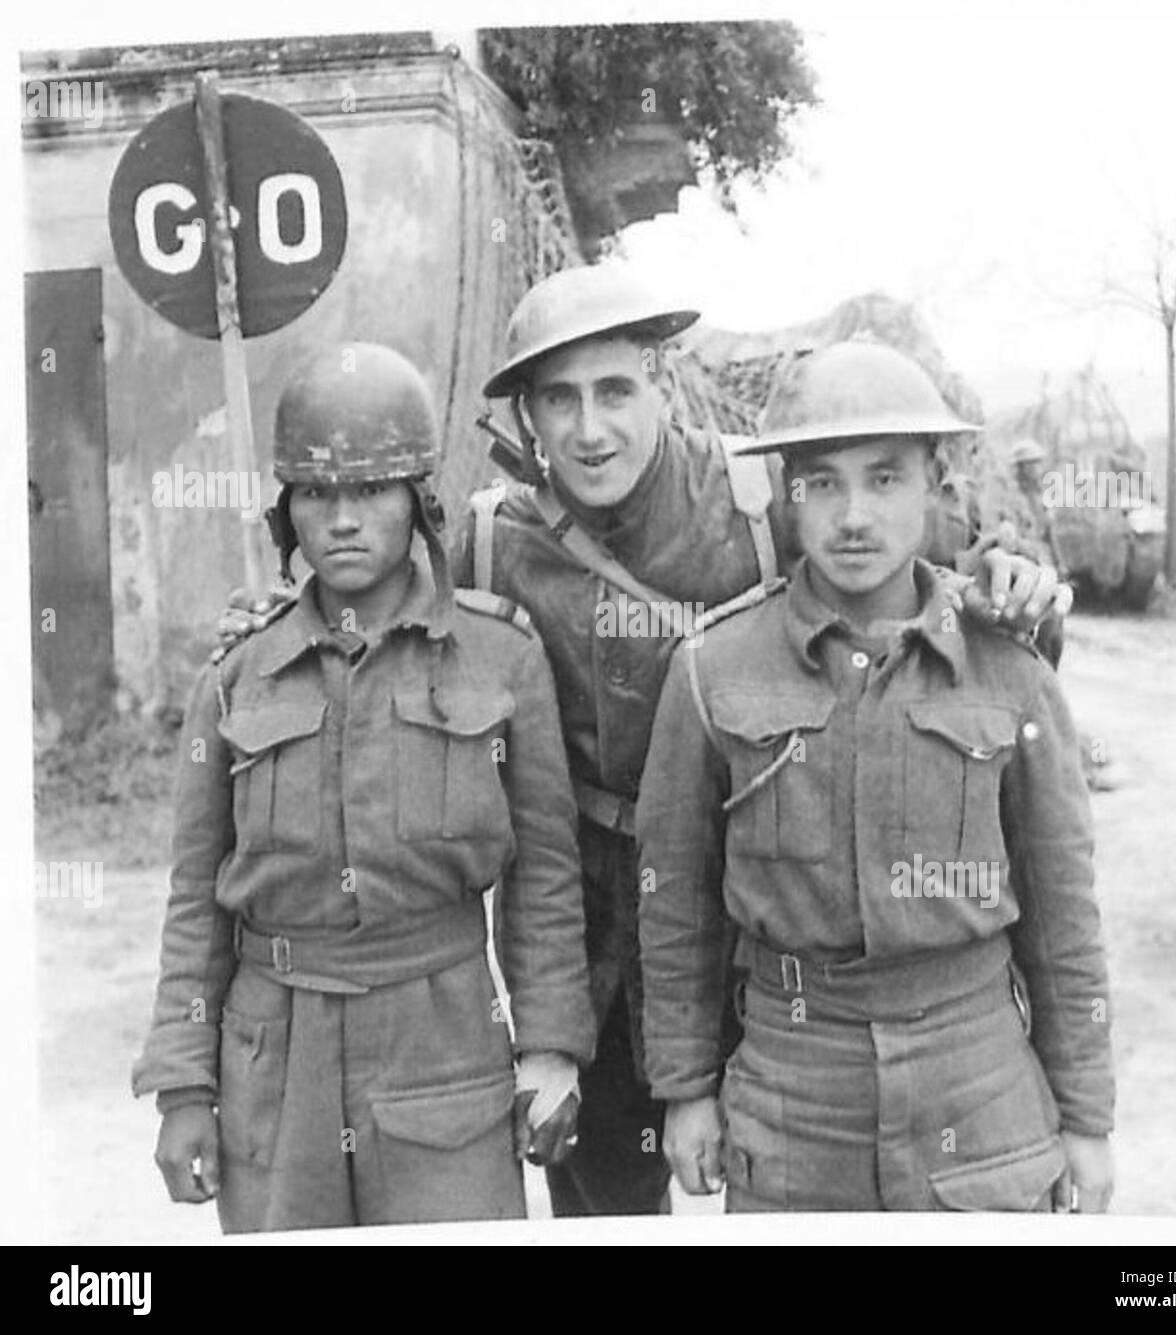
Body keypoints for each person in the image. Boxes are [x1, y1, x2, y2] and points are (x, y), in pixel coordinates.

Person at [223, 264, 1072, 1218]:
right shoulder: (492, 537)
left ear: (661, 385)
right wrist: (277, 612)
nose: (591, 430)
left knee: (788, 1174)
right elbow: (380, 614)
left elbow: (932, 567)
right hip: (591, 920)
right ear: (526, 421)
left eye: (616, 390)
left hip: (764, 902)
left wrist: (1015, 575)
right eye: (560, 399)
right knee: (604, 1197)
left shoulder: (766, 497)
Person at [637, 340, 1115, 1213]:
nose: (853, 514)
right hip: (792, 1089)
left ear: (938, 486)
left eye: (886, 478)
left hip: (977, 1088)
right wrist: (685, 1087)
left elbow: (1063, 912)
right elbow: (676, 905)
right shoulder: (714, 670)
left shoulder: (1009, 669)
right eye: (822, 481)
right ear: (788, 495)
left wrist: (1085, 1117)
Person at [132, 344, 595, 1232]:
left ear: (419, 504)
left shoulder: (501, 657)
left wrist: (550, 1048)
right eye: (316, 493)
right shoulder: (238, 674)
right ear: (286, 513)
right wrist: (183, 1083)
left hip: (443, 1043)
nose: (343, 520)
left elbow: (544, 876)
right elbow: (195, 894)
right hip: (275, 1059)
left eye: (372, 490)